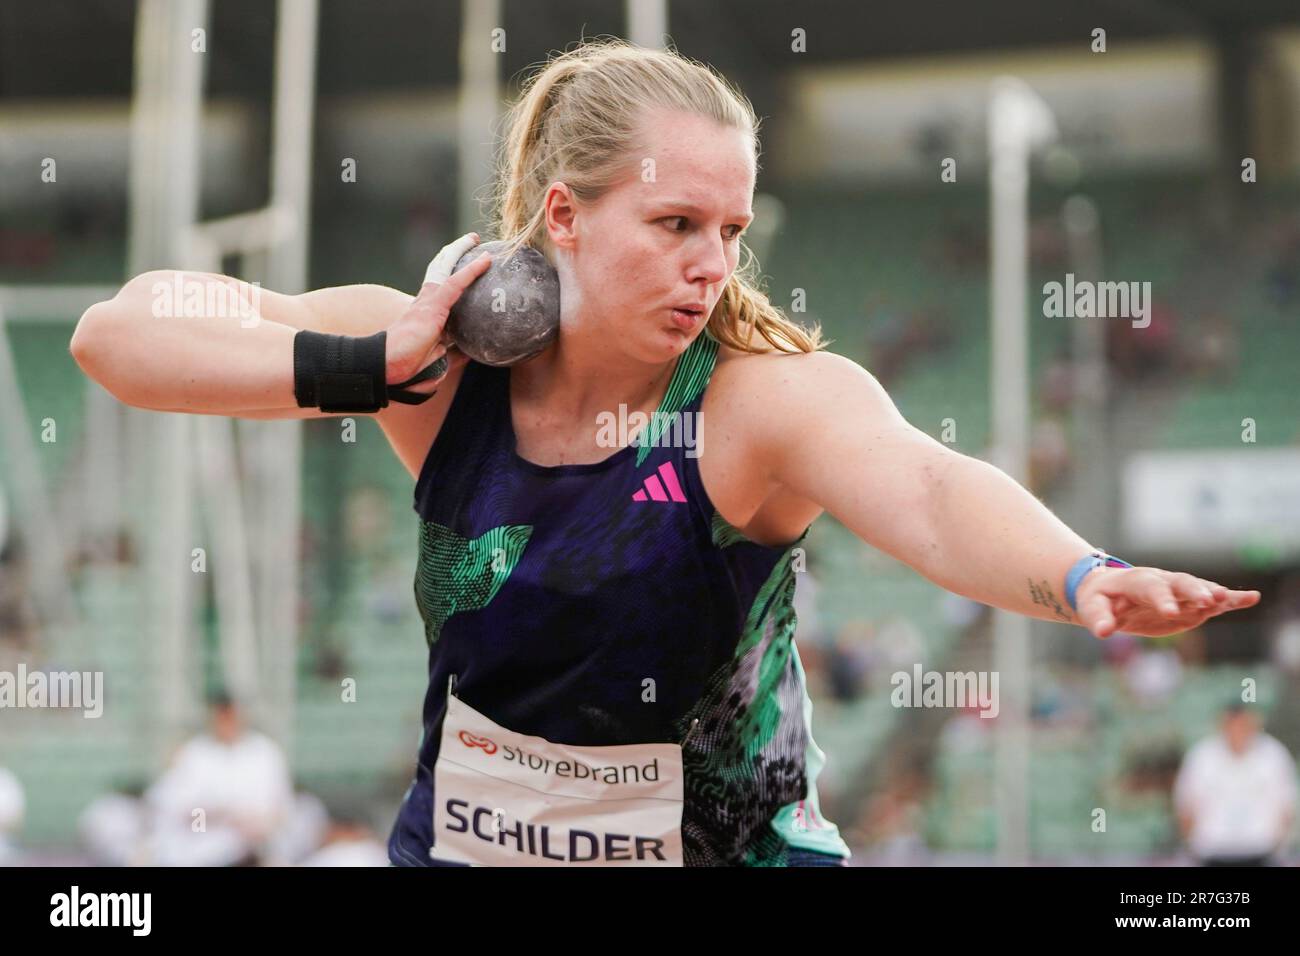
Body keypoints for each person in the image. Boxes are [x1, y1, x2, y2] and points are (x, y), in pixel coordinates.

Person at [69, 38, 1260, 867]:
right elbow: (121, 331)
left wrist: (1077, 576)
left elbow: (933, 489)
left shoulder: (757, 410)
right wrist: (370, 363)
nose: (713, 264)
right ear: (564, 217)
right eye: (676, 224)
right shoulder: (436, 380)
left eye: (731, 231)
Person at [144, 692, 294, 866]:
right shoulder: (195, 753)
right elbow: (175, 810)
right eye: (223, 717)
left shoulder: (265, 752)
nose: (228, 723)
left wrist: (257, 825)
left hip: (257, 848)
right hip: (203, 849)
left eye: (232, 716)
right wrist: (221, 817)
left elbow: (282, 811)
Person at [1173, 701, 1298, 865]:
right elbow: (1185, 804)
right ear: (1222, 725)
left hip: (1261, 851)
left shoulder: (1274, 754)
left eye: (1242, 725)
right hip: (1212, 851)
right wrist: (1195, 844)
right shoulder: (1201, 755)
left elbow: (1287, 804)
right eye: (1233, 725)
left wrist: (1277, 845)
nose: (1237, 731)